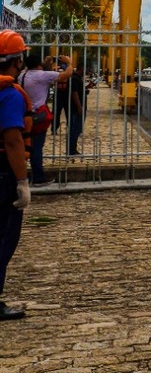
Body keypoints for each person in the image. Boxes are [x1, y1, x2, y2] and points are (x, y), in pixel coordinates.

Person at [0, 29, 32, 320]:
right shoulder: (9, 95)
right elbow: (13, 140)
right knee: (4, 238)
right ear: (18, 61)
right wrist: (22, 182)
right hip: (3, 175)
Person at [17, 53, 72, 186]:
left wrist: (46, 64)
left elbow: (41, 77)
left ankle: (22, 176)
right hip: (39, 116)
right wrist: (69, 63)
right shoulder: (42, 75)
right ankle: (38, 177)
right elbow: (66, 75)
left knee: (26, 146)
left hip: (25, 116)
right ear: (38, 64)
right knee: (37, 148)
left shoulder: (22, 75)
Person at [64, 68, 87, 156]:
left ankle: (73, 148)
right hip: (75, 108)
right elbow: (74, 93)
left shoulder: (75, 78)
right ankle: (71, 149)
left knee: (76, 129)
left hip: (76, 107)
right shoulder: (75, 78)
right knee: (75, 129)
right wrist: (79, 107)